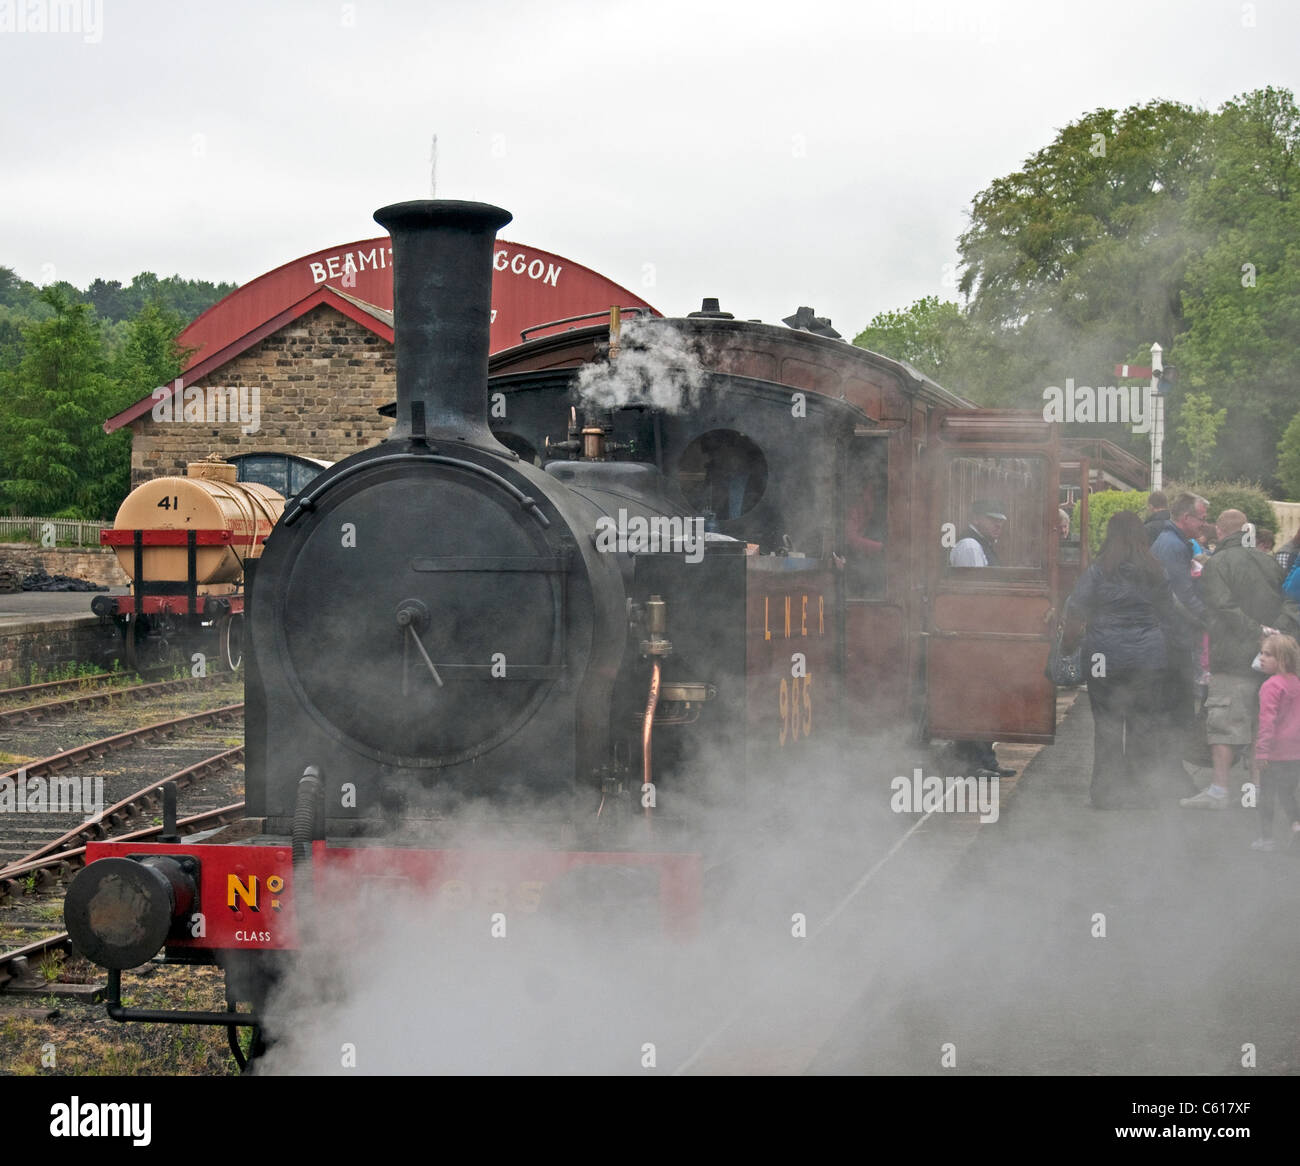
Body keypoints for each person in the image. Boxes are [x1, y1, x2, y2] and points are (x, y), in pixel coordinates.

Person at [1182, 509, 1300, 808]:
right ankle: (1256, 792)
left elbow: (1222, 606)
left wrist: (1254, 630)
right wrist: (1273, 635)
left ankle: (1220, 791)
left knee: (1224, 726)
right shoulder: (1269, 561)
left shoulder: (1218, 563)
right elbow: (1286, 599)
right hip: (1268, 661)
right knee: (1261, 726)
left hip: (1231, 658)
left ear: (1220, 531)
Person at [1061, 510, 1174, 808]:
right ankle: (1142, 793)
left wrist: (1066, 646)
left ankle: (1107, 795)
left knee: (1108, 725)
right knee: (1143, 724)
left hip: (1103, 657)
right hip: (1148, 657)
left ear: (1111, 535)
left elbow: (1076, 611)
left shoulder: (1099, 570)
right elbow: (1168, 614)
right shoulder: (1156, 570)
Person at [948, 499, 1015, 778]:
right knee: (976, 698)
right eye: (992, 519)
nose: (998, 524)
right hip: (972, 633)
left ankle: (985, 759)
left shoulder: (981, 544)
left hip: (981, 632)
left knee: (983, 698)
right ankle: (973, 761)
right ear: (976, 517)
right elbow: (976, 592)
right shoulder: (970, 546)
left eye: (1001, 520)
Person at [1150, 493, 1211, 794]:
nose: (1204, 523)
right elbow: (1180, 596)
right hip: (1173, 639)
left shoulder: (1170, 542)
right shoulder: (1173, 546)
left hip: (1169, 636)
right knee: (1176, 709)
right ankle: (1172, 776)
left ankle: (1168, 774)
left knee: (1172, 707)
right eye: (1200, 518)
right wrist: (1208, 620)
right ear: (1185, 517)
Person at [1250, 633, 1300, 850]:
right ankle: (1296, 826)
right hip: (1295, 751)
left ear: (1283, 660)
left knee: (1267, 794)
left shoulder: (1271, 686)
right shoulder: (1295, 682)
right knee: (1288, 793)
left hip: (1275, 752)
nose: (1261, 658)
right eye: (1261, 653)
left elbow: (1267, 722)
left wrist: (1261, 753)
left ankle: (1267, 839)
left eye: (1268, 655)